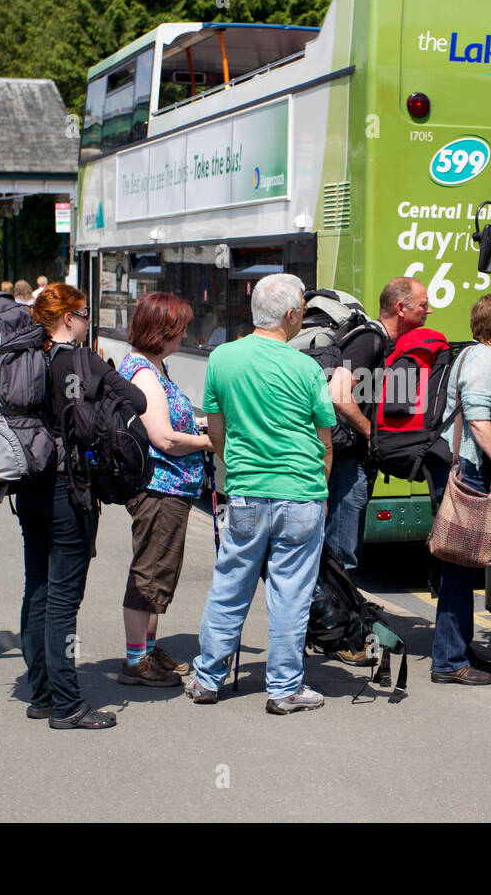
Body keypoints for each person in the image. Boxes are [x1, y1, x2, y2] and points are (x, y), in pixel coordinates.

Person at [186, 273, 335, 713]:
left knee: (230, 586)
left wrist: (235, 465)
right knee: (290, 593)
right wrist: (320, 488)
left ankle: (207, 678)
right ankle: (285, 688)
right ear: (291, 315)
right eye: (303, 310)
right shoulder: (306, 367)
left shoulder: (223, 359)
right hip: (301, 492)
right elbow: (324, 439)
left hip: (247, 491)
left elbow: (216, 432)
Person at [16, 283, 146, 729]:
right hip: (67, 487)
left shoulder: (26, 357)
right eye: (85, 313)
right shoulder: (80, 359)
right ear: (68, 317)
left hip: (27, 482)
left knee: (37, 589)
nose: (88, 320)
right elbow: (139, 400)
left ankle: (43, 695)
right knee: (63, 599)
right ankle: (69, 705)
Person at [116, 292, 213, 688]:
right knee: (149, 573)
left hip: (170, 487)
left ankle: (146, 650)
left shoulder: (155, 366)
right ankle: (135, 660)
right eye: (179, 329)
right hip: (159, 486)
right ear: (161, 331)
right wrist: (211, 442)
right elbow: (165, 438)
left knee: (159, 573)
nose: (184, 335)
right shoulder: (143, 372)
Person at [425, 293, 491, 686]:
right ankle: (448, 661)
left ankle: (458, 650)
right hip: (471, 469)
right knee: (460, 570)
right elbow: (480, 421)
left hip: (464, 466)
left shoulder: (474, 356)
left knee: (461, 570)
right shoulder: (482, 358)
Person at [325, 277, 429, 572]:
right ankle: (334, 615)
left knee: (343, 548)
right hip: (347, 461)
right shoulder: (370, 339)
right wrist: (369, 431)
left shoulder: (385, 344)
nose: (428, 311)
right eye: (423, 305)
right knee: (341, 552)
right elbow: (337, 393)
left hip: (355, 460)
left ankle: (338, 612)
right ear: (400, 308)